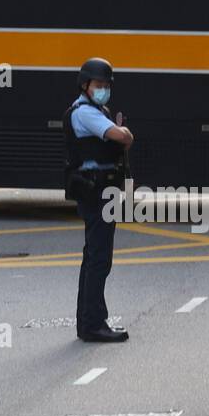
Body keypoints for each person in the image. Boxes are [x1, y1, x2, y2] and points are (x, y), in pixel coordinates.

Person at [64, 58, 132, 343]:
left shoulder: (95, 110)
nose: (103, 90)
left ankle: (88, 321)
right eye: (98, 85)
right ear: (85, 86)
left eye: (106, 85)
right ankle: (93, 323)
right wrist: (124, 133)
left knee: (93, 256)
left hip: (102, 189)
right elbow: (121, 136)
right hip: (95, 192)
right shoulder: (86, 114)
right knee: (99, 259)